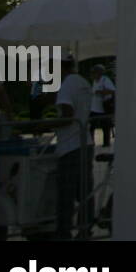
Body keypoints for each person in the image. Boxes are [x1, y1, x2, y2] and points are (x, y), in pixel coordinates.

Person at [52, 56, 94, 239]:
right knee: (84, 189)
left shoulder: (67, 85)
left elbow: (67, 114)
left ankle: (63, 232)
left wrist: (46, 124)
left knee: (66, 193)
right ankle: (85, 228)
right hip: (86, 141)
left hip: (70, 146)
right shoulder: (82, 81)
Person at [88, 64, 116, 147]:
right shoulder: (94, 81)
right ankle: (91, 142)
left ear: (99, 73)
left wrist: (100, 92)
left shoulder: (105, 80)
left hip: (103, 108)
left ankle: (106, 143)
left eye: (94, 73)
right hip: (94, 108)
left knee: (105, 126)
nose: (92, 74)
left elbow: (112, 91)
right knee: (91, 126)